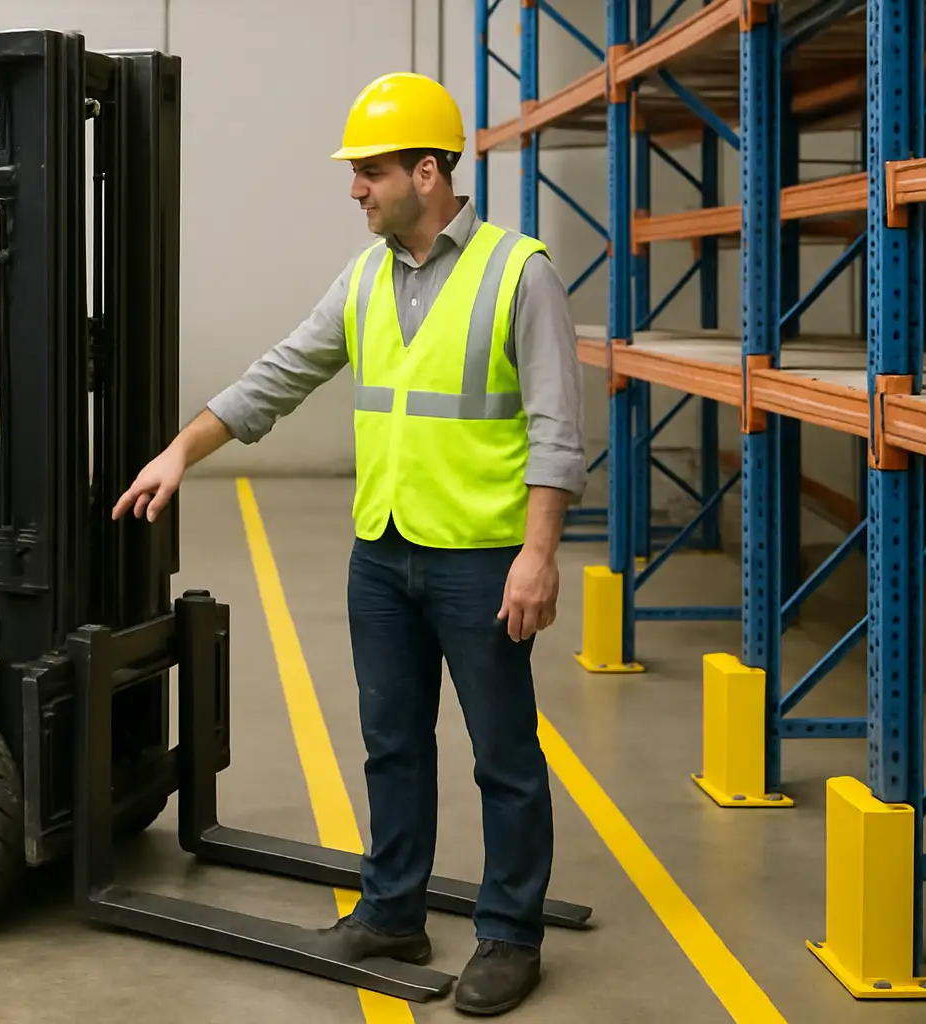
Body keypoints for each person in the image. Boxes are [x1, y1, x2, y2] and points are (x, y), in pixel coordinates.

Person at [112, 73, 585, 1016]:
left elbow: (556, 427)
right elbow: (279, 375)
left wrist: (538, 553)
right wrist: (180, 451)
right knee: (392, 742)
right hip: (384, 553)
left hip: (482, 559)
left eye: (370, 172)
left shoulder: (517, 271)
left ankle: (510, 933)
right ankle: (393, 909)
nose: (356, 189)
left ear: (427, 170)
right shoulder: (366, 276)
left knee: (503, 754)